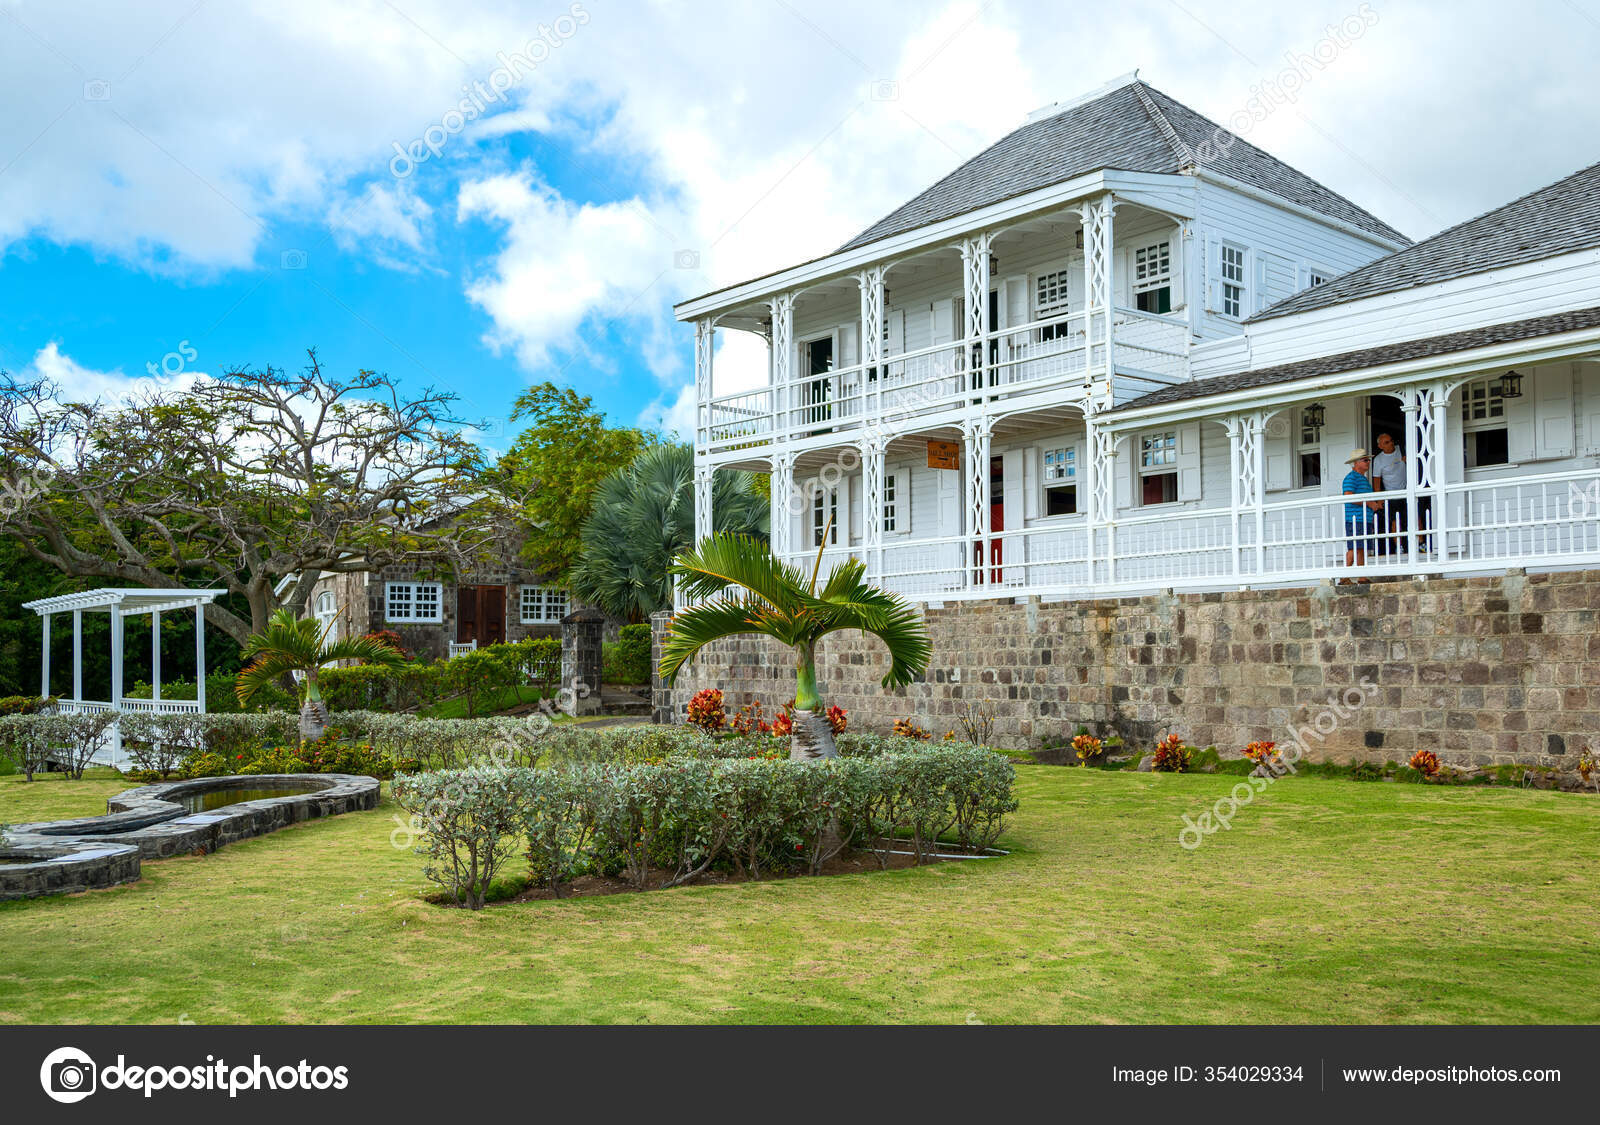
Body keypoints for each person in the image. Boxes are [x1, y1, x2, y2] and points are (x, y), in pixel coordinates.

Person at [1341, 449, 1384, 581]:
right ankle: (1344, 577)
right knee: (1354, 547)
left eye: (1368, 460)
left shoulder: (1363, 479)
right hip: (1355, 518)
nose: (1368, 462)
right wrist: (1370, 504)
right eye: (1365, 460)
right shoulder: (1351, 477)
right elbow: (1349, 497)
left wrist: (1373, 504)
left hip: (1364, 519)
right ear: (1355, 463)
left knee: (1361, 547)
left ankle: (1362, 577)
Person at [1370, 431, 1406, 557]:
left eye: (1391, 440)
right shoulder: (1378, 460)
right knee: (1395, 521)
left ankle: (1420, 544)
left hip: (1406, 490)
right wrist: (1379, 499)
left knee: (1414, 517)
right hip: (1390, 494)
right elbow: (1376, 480)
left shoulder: (1401, 449)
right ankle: (1399, 547)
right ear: (1380, 446)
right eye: (1386, 442)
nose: (1390, 443)